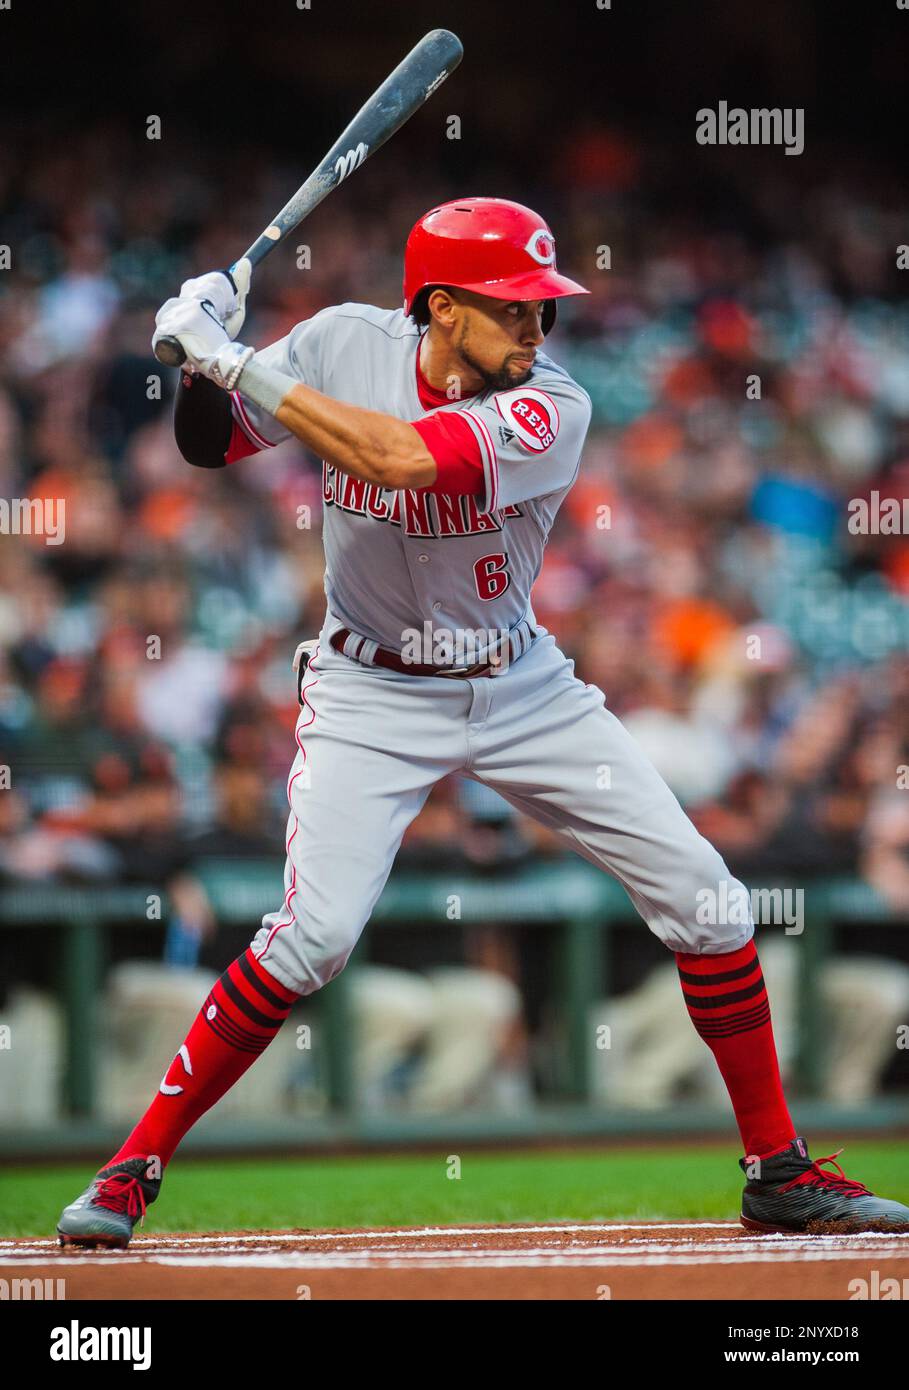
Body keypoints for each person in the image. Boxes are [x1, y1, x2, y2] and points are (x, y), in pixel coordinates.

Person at [57, 198, 909, 1247]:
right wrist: (198, 358)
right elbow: (204, 448)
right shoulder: (337, 342)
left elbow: (397, 460)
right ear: (443, 308)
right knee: (312, 938)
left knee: (711, 903)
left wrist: (234, 361)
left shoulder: (555, 403)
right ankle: (132, 1166)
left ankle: (776, 1168)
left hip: (521, 687)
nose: (536, 328)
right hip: (371, 691)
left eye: (544, 307)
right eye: (514, 309)